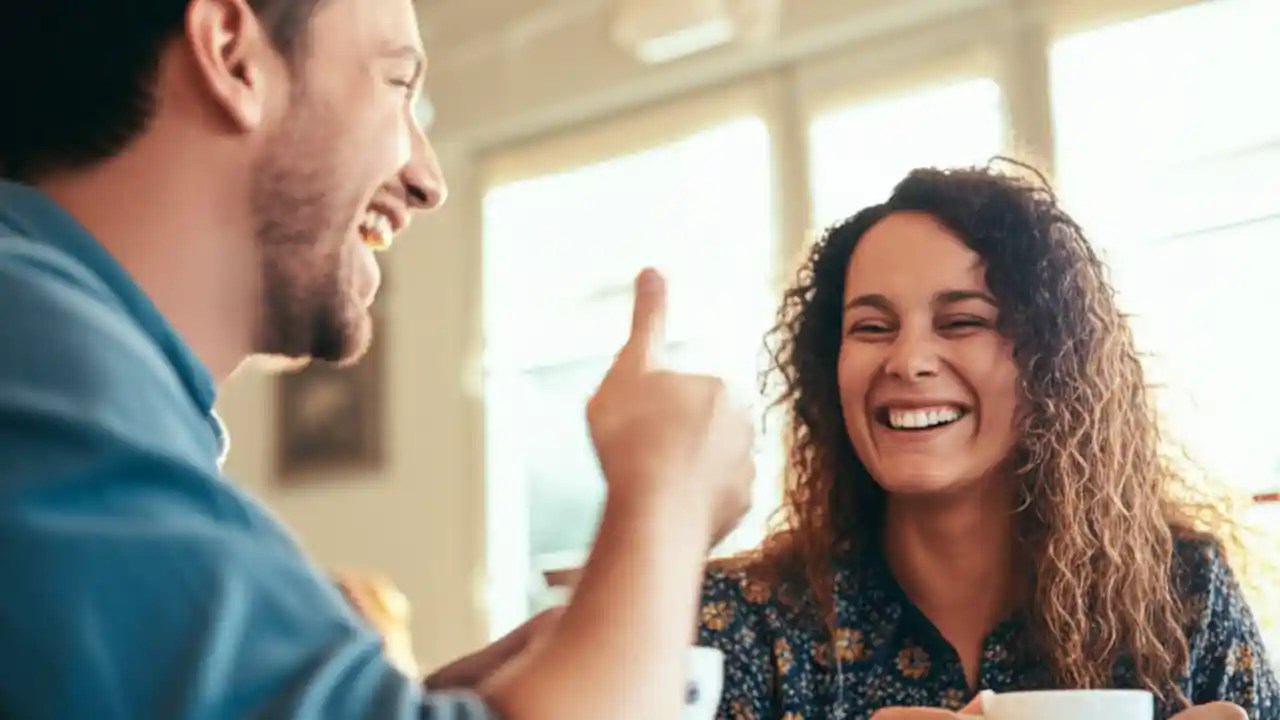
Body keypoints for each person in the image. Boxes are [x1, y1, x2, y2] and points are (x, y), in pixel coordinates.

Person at [0, 0, 755, 718]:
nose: (429, 180)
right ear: (233, 57)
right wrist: (668, 494)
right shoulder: (29, 344)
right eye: (399, 86)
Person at [696, 163, 1278, 720]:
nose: (908, 360)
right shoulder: (740, 620)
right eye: (872, 328)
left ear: (1053, 364)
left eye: (963, 322)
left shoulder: (1184, 593)